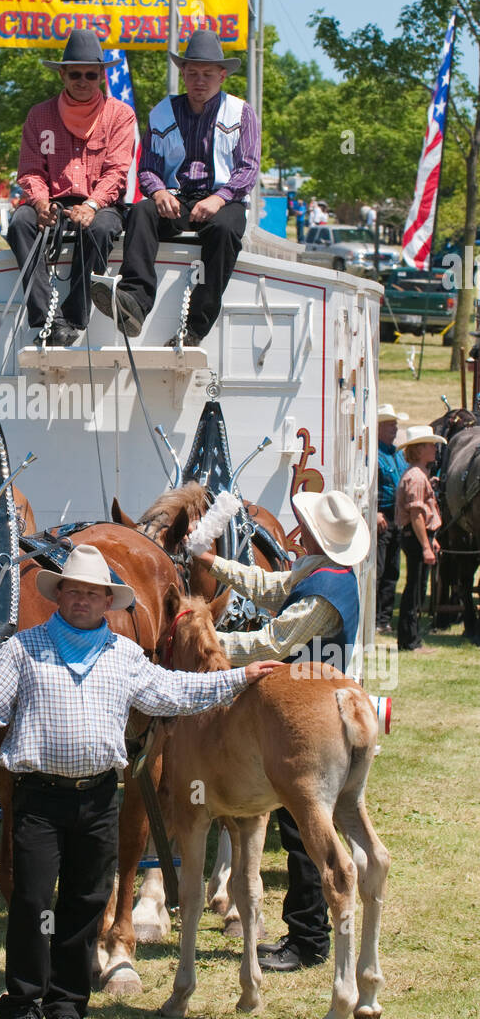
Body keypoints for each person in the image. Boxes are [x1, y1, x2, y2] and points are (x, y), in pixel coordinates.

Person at [0, 544, 278, 1019]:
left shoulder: (124, 656)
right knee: (32, 901)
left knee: (85, 901)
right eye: (74, 591)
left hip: (97, 800)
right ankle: (24, 1004)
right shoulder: (22, 648)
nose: (82, 600)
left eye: (93, 594)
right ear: (60, 597)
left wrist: (236, 677)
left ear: (106, 603)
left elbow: (174, 691)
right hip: (37, 799)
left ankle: (68, 1004)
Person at [190, 489, 370, 973]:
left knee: (303, 832)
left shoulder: (322, 589)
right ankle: (310, 933)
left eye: (305, 526)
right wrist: (217, 563)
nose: (298, 530)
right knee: (310, 828)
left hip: (302, 715)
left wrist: (201, 638)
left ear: (315, 535)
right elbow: (273, 588)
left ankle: (310, 938)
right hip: (317, 696)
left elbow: (273, 640)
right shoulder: (325, 573)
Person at [91, 30, 260, 348]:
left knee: (224, 231)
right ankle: (134, 302)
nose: (199, 81)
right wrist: (158, 193)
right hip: (177, 197)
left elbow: (248, 169)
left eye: (207, 74)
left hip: (224, 201)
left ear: (222, 75)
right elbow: (147, 168)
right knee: (142, 211)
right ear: (183, 73)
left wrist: (218, 199)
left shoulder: (241, 113)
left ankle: (196, 326)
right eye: (192, 73)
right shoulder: (162, 111)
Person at [6, 29, 136, 348]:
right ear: (62, 74)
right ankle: (47, 319)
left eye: (90, 74)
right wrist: (40, 203)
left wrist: (91, 206)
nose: (83, 80)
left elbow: (117, 171)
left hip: (101, 203)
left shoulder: (120, 115)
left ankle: (75, 315)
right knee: (19, 224)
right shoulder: (39, 115)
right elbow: (31, 170)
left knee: (103, 229)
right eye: (75, 73)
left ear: (101, 75)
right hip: (52, 201)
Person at [395, 425, 445, 652]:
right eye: (430, 445)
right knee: (414, 589)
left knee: (415, 588)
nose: (435, 449)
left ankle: (410, 639)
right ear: (419, 449)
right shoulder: (416, 477)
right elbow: (416, 514)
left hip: (418, 536)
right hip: (415, 538)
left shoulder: (416, 474)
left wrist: (429, 538)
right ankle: (410, 641)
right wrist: (425, 545)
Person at [376, 404, 408, 634]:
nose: (394, 429)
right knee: (378, 569)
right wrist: (375, 512)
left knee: (392, 570)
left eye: (395, 425)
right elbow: (371, 487)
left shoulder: (397, 454)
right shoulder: (374, 454)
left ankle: (384, 619)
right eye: (390, 425)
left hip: (397, 518)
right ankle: (376, 617)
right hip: (382, 517)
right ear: (378, 427)